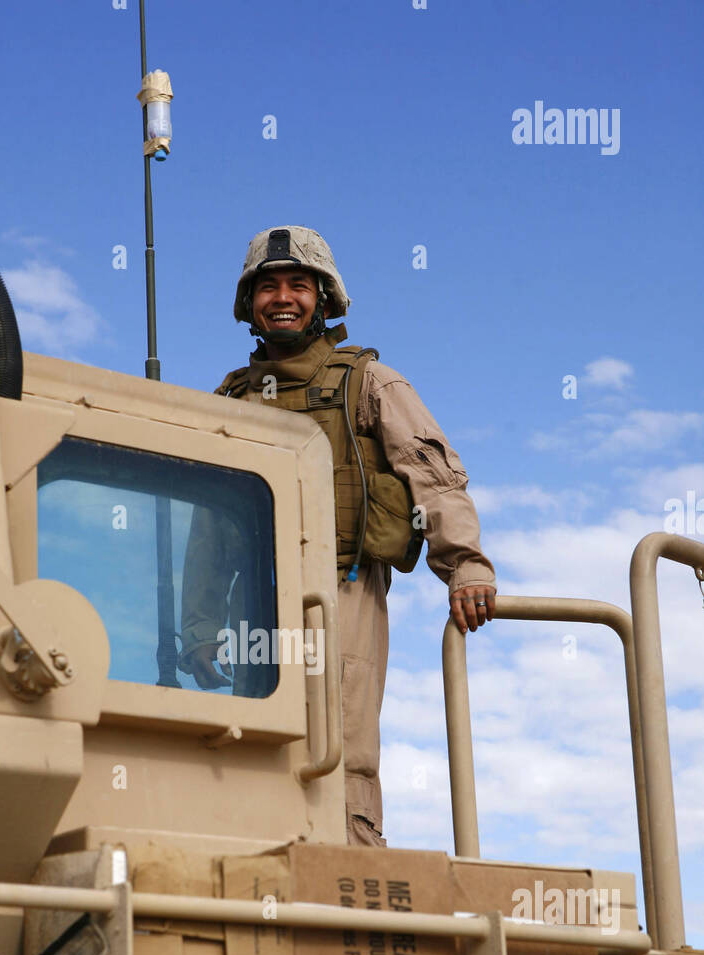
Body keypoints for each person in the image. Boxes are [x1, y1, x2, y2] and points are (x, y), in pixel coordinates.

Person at [179, 226, 496, 846]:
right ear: (250, 304)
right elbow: (210, 527)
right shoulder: (233, 398)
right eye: (267, 287)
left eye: (298, 284)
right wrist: (198, 627)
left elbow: (435, 481)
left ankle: (352, 860)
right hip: (258, 600)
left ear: (324, 298)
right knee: (254, 741)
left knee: (343, 738)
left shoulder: (370, 383)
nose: (283, 298)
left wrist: (467, 568)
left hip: (344, 590)